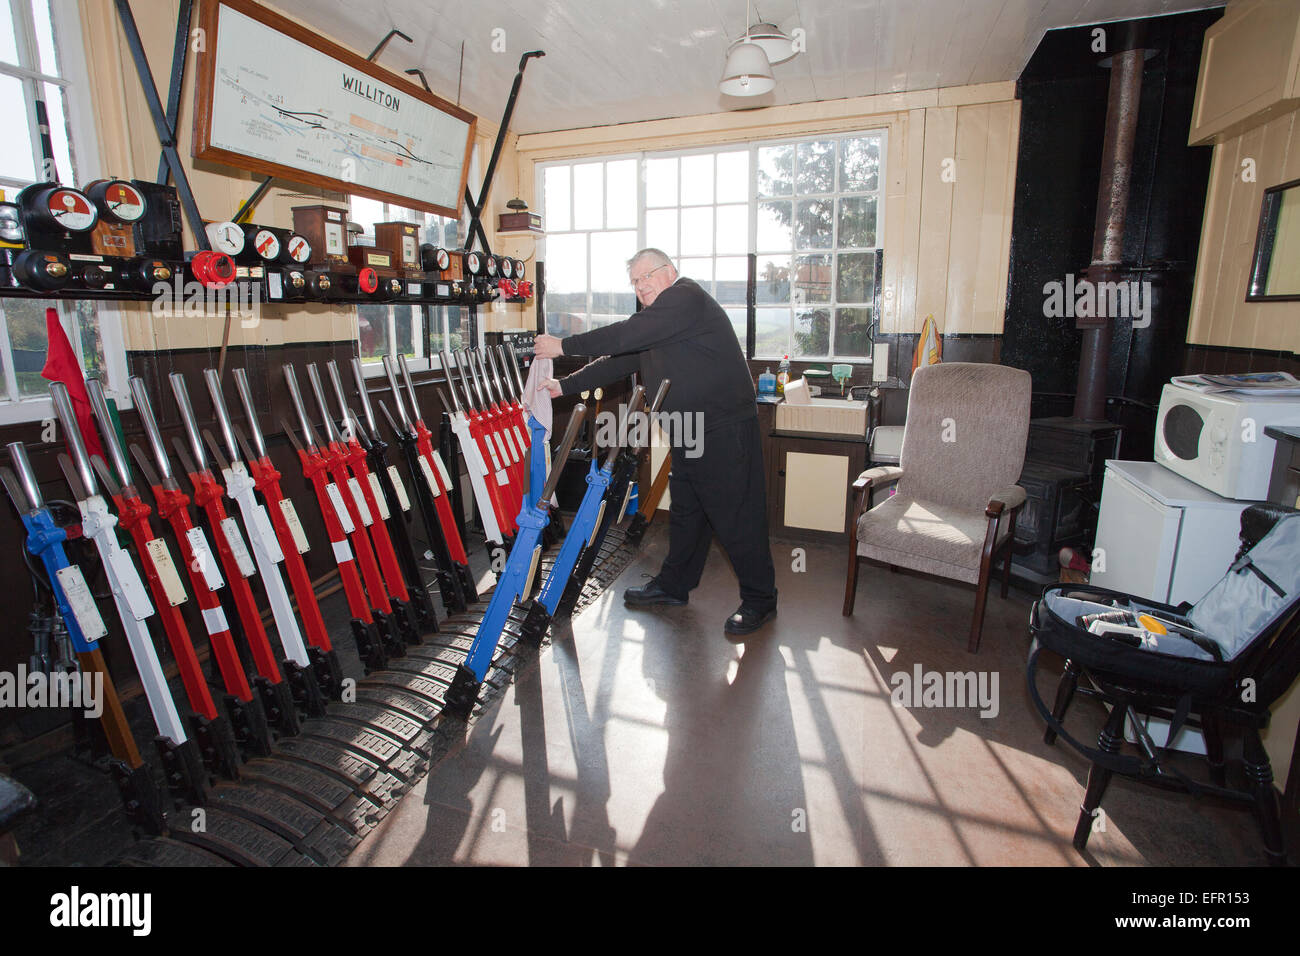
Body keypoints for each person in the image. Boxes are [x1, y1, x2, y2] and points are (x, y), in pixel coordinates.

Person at [533, 248, 778, 638]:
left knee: (736, 515)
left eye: (647, 275)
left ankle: (760, 600)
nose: (641, 285)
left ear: (671, 271)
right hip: (689, 428)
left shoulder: (686, 298)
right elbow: (619, 359)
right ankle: (673, 585)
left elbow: (626, 334)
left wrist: (563, 345)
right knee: (687, 512)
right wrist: (564, 385)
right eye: (635, 281)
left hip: (723, 428)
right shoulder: (658, 324)